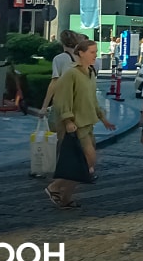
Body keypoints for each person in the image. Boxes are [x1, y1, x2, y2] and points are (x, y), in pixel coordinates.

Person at [46, 39, 115, 209]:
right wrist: (68, 120)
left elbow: (91, 98)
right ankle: (54, 187)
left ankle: (65, 198)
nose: (95, 55)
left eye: (96, 51)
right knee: (88, 160)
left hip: (88, 123)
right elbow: (62, 99)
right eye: (92, 52)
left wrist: (102, 117)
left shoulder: (90, 72)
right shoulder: (71, 73)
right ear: (81, 53)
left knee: (82, 164)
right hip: (76, 125)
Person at [41, 31, 85, 132]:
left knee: (56, 132)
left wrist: (44, 107)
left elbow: (54, 83)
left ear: (62, 42)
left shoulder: (59, 59)